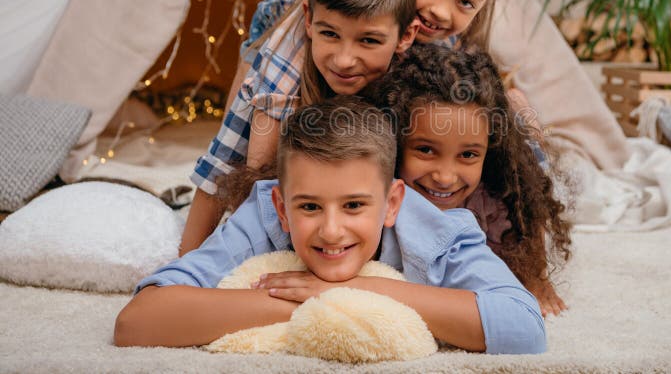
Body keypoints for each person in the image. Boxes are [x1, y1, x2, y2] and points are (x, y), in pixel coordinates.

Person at [180, 0, 520, 255]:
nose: (440, 11)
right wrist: (237, 223)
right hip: (289, 19)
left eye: (466, 3)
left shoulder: (445, 43)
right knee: (250, 122)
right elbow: (251, 154)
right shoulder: (309, 20)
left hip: (369, 40)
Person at [114, 98, 547, 354]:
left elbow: (525, 327)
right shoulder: (263, 215)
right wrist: (309, 302)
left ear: (392, 203)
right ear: (283, 208)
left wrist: (350, 292)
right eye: (310, 207)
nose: (332, 230)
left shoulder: (439, 234)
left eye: (354, 205)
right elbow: (137, 321)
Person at [366, 43, 573, 317]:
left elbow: (532, 211)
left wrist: (537, 277)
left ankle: (523, 119)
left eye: (467, 155)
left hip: (519, 159)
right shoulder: (379, 192)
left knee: (533, 161)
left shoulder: (496, 199)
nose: (444, 177)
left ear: (487, 152)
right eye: (426, 150)